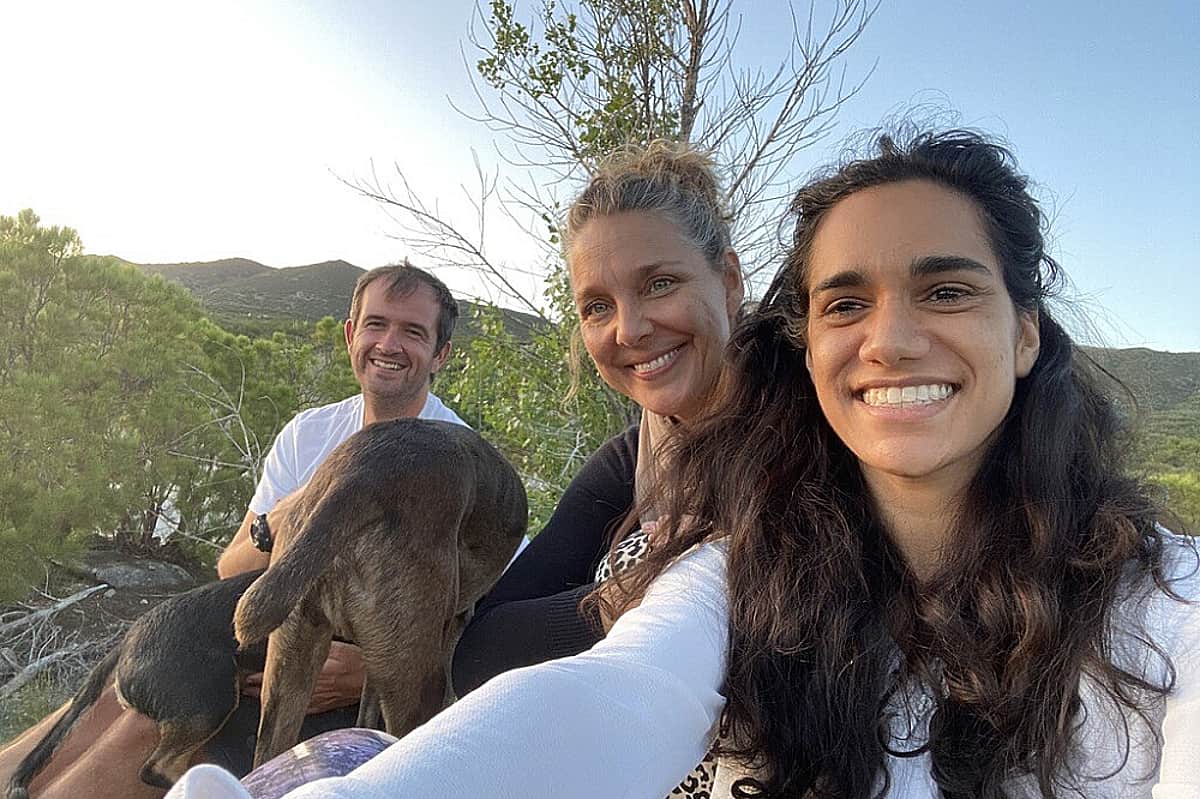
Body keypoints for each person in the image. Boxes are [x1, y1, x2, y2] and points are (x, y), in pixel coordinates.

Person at [167, 127, 1199, 799]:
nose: (887, 342)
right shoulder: (742, 529)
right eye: (845, 303)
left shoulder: (1161, 602)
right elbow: (622, 691)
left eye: (944, 292)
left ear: (1026, 331)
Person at [0, 262, 469, 799]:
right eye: (376, 324)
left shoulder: (459, 462)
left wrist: (378, 668)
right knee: (113, 696)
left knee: (142, 729)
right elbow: (233, 567)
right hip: (258, 638)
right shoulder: (310, 433)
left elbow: (496, 614)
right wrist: (304, 505)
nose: (389, 344)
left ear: (440, 355)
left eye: (413, 332)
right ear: (350, 334)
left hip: (338, 692)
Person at [451, 139, 744, 706]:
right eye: (598, 307)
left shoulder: (820, 430)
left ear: (728, 282)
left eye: (660, 284)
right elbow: (481, 650)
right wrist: (621, 599)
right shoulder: (632, 461)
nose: (629, 330)